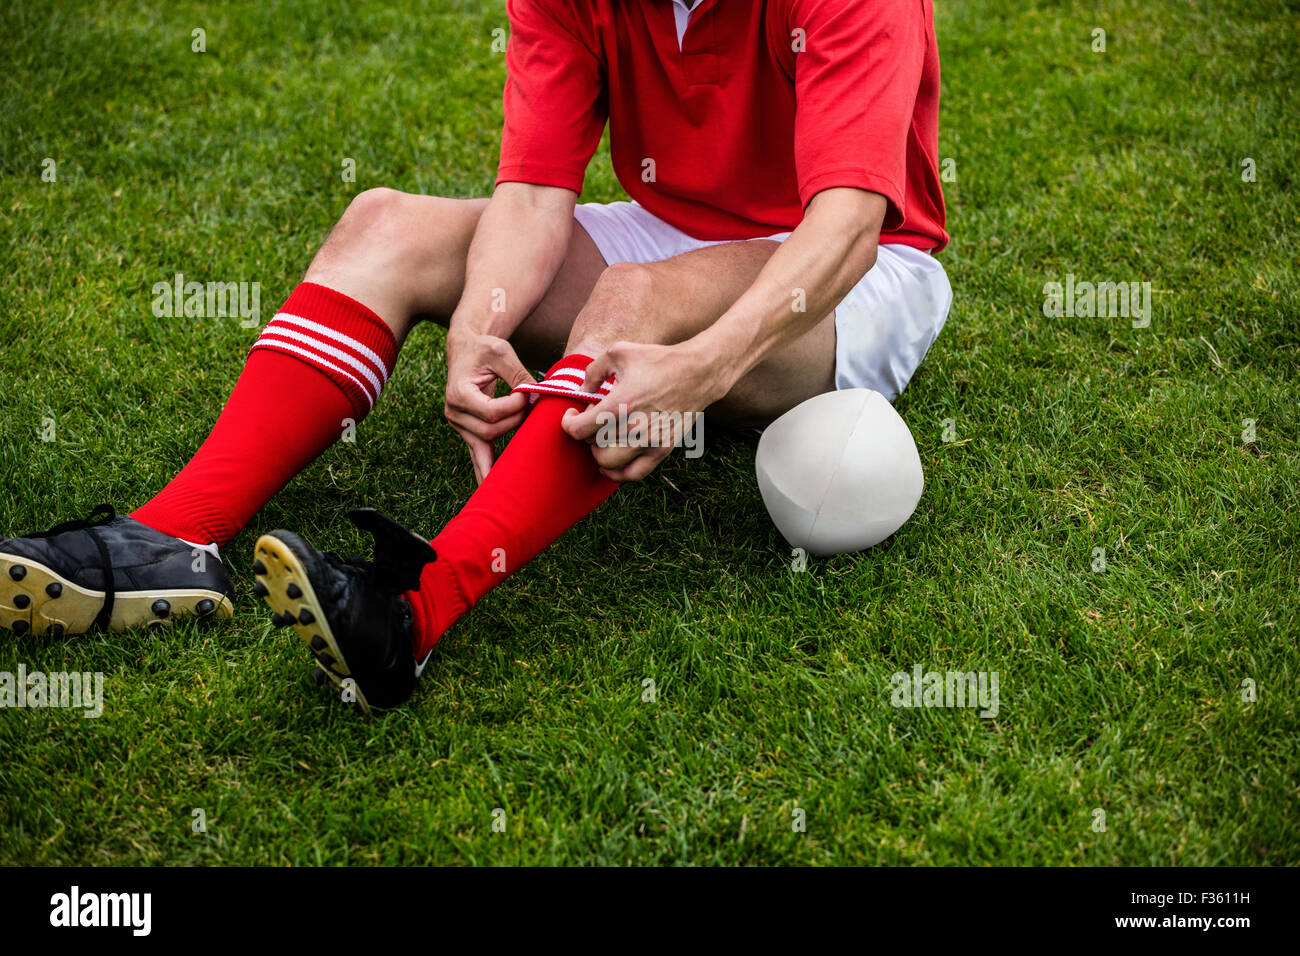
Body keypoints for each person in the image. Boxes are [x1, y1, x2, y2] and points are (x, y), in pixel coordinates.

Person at [1, 0, 952, 712]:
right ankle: (175, 535)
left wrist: (700, 365)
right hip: (669, 224)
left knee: (634, 299)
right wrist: (478, 323)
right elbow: (536, 190)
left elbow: (850, 225)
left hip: (856, 276)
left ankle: (410, 613)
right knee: (384, 227)